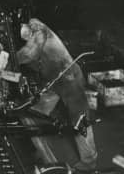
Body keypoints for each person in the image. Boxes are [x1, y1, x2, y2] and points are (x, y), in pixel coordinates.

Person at [17, 18, 98, 172]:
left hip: (69, 79)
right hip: (54, 77)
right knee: (37, 109)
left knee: (80, 121)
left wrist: (9, 60)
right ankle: (36, 139)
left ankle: (89, 163)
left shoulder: (37, 29)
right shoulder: (30, 27)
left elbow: (29, 54)